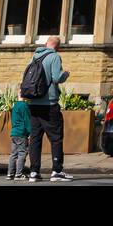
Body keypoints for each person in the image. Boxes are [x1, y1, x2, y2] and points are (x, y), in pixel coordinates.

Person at [26, 35, 73, 182]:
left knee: (35, 138)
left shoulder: (35, 56)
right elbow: (56, 78)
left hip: (33, 103)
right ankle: (57, 171)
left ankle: (34, 172)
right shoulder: (55, 57)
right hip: (49, 104)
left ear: (46, 44)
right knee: (56, 138)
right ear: (58, 47)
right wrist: (65, 74)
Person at [7, 90, 30, 181]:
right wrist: (30, 133)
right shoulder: (24, 106)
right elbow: (27, 121)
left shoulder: (15, 105)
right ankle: (19, 174)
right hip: (21, 133)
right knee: (22, 154)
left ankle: (10, 174)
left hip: (14, 133)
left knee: (13, 154)